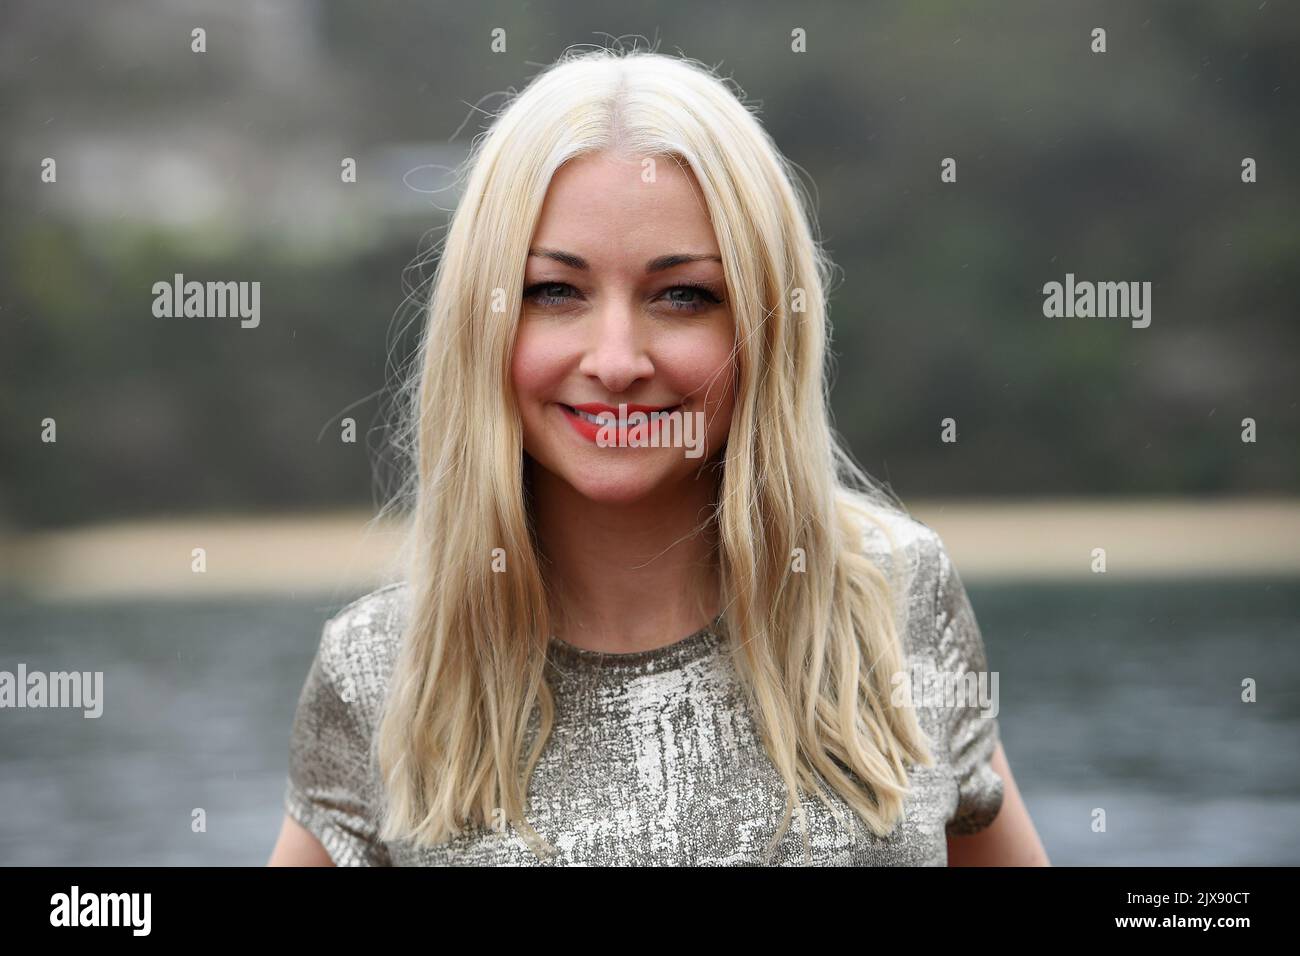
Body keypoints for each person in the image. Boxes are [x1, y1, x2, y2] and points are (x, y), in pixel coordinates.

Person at [267, 46, 1049, 866]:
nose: (615, 360)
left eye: (682, 296)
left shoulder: (898, 599)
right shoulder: (380, 670)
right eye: (555, 291)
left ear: (763, 326)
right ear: (482, 321)